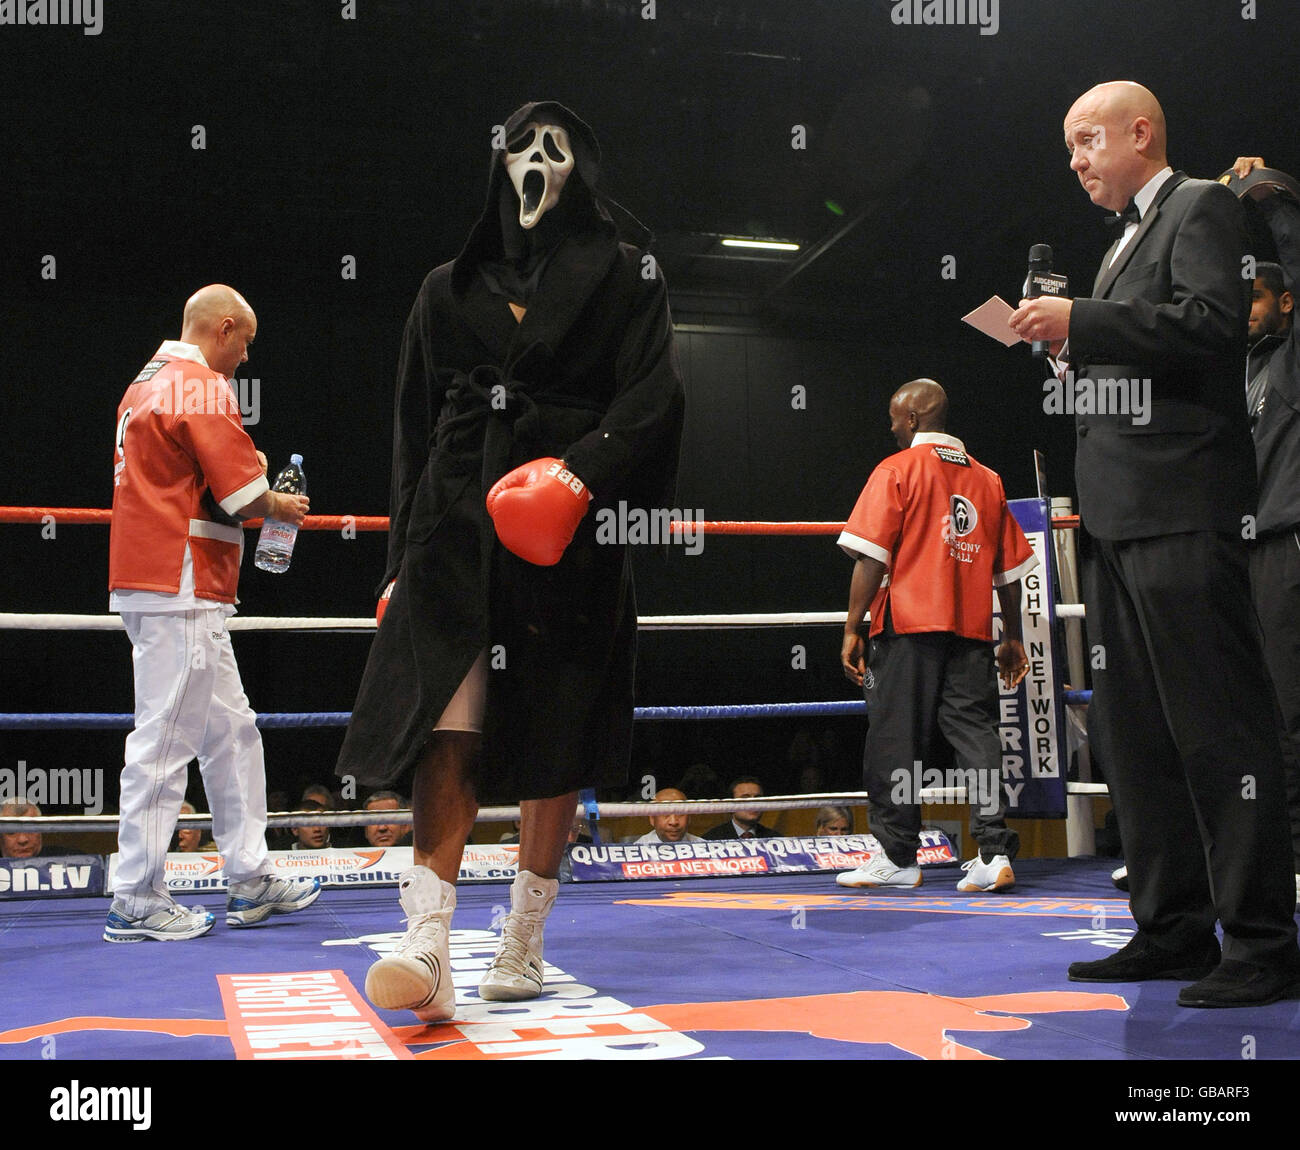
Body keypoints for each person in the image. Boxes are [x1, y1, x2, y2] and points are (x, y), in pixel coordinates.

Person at [336, 103, 684, 1021]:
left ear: (584, 169)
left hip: (568, 524)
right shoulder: (444, 289)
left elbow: (653, 395)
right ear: (497, 167)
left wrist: (581, 474)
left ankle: (524, 933)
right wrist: (395, 562)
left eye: (556, 149)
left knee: (558, 718)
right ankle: (428, 940)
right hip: (453, 518)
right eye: (521, 148)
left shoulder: (628, 274)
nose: (536, 163)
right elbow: (412, 430)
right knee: (444, 720)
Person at [1009, 84, 1300, 1007]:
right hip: (1115, 513)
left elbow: (1214, 327)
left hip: (1184, 506)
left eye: (1086, 139)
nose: (1075, 160)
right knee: (1136, 739)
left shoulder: (1200, 205)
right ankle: (1172, 928)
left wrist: (1083, 322)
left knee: (1219, 726)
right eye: (1067, 146)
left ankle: (1262, 940)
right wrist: (1074, 356)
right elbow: (1146, 361)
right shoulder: (1119, 242)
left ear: (1141, 132)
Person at [105, 284, 321, 943]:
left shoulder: (146, 382)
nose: (245, 357)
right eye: (245, 342)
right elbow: (245, 496)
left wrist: (246, 474)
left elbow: (195, 476)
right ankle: (136, 897)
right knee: (165, 739)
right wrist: (279, 502)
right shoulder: (200, 384)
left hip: (167, 579)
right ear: (224, 328)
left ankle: (250, 877)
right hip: (180, 582)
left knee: (232, 732)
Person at [834, 379, 1036, 894]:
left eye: (894, 418)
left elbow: (870, 557)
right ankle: (993, 852)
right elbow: (1009, 571)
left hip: (908, 627)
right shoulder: (988, 479)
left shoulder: (897, 469)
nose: (891, 428)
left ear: (913, 418)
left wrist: (852, 626)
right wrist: (1011, 636)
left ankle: (897, 856)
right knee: (976, 734)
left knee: (894, 740)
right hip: (971, 630)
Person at [1230, 157, 1300, 901]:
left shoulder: (1291, 363)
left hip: (1288, 547)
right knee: (1252, 713)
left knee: (1291, 712)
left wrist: (1274, 202)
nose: (1245, 307)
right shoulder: (1242, 371)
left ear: (1286, 302)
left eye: (1257, 296)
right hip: (1244, 554)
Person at [703, 778, 777, 839]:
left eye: (758, 798)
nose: (753, 803)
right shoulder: (711, 840)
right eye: (745, 798)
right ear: (730, 805)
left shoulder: (775, 838)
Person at [635, 788, 703, 844]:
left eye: (680, 813)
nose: (673, 822)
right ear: (652, 819)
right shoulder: (638, 849)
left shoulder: (703, 848)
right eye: (665, 813)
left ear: (689, 818)